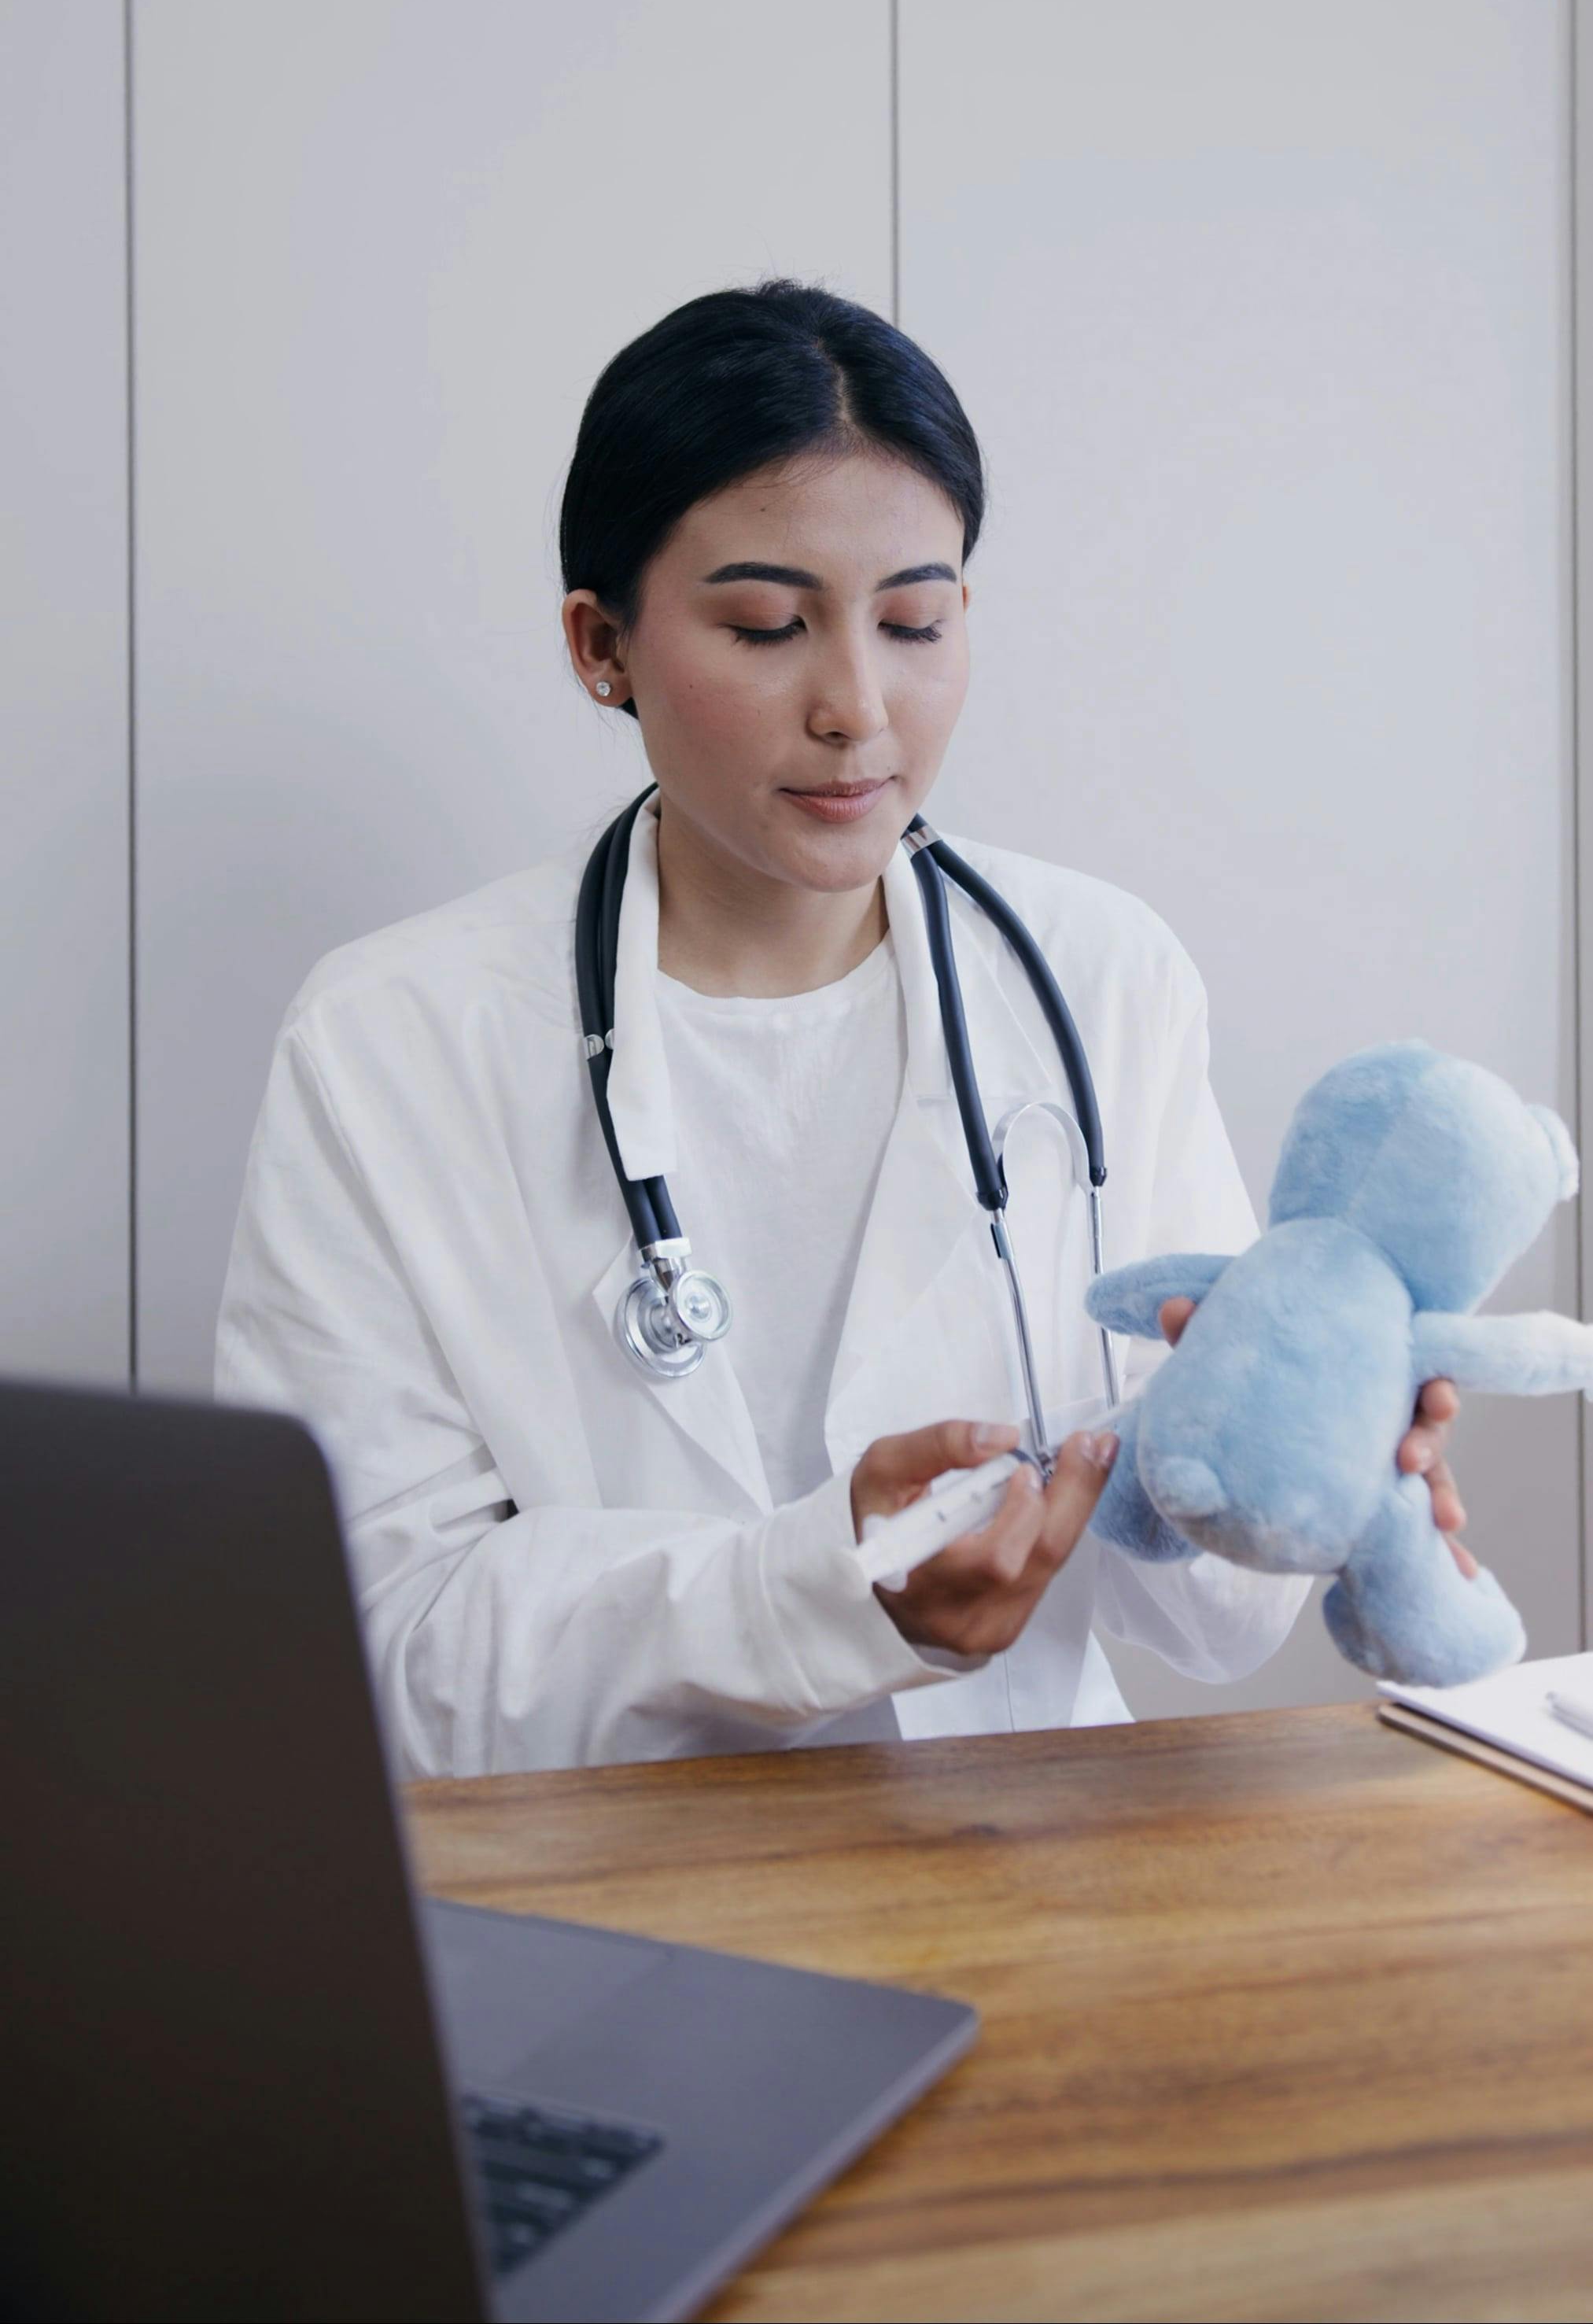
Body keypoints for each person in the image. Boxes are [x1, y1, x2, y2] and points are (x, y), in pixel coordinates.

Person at [216, 282, 1472, 1777]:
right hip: (596, 1920)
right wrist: (816, 1590)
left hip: (1016, 1887)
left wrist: (1305, 1460)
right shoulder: (392, 1044)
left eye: (915, 621)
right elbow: (378, 1651)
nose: (858, 708)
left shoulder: (1096, 975)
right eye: (765, 625)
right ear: (598, 643)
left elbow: (1208, 1622)